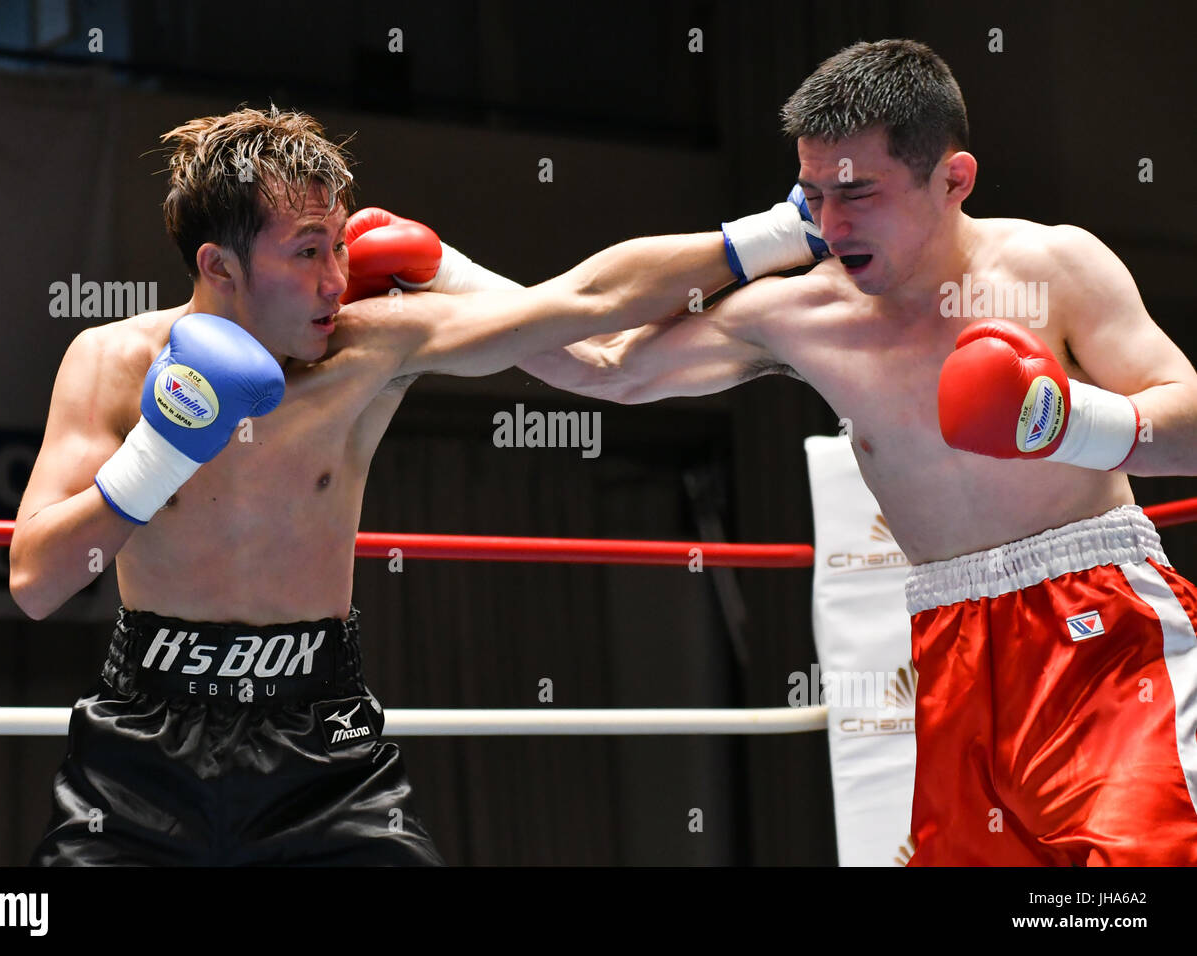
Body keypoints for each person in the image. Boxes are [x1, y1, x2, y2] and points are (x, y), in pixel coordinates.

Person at [509, 40, 1197, 865]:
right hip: (948, 639)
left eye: (859, 193)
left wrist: (1066, 421)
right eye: (813, 195)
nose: (830, 226)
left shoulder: (1052, 267)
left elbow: (1188, 425)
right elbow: (605, 365)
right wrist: (447, 284)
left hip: (1097, 624)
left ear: (954, 179)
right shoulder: (798, 313)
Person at [9, 105, 748, 865]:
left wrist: (775, 237)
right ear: (218, 266)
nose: (338, 280)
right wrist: (159, 453)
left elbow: (586, 301)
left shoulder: (375, 345)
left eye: (338, 245)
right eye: (305, 253)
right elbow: (36, 583)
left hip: (323, 746)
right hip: (142, 752)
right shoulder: (110, 363)